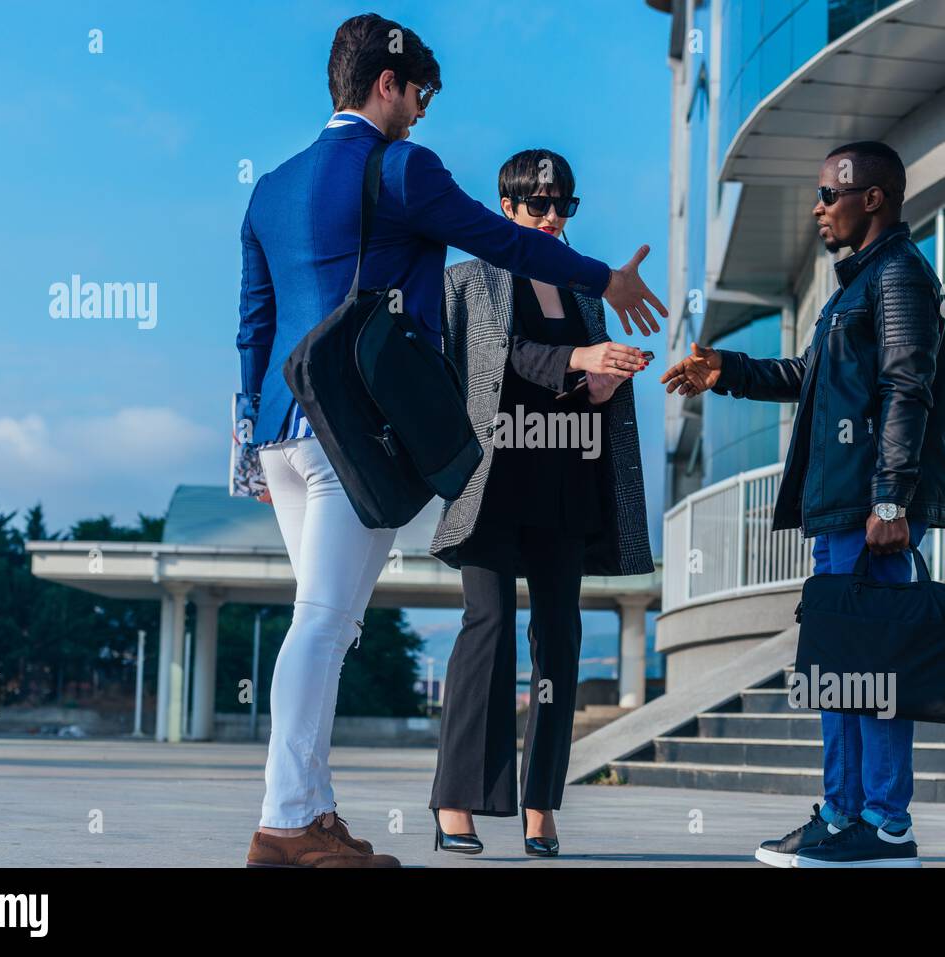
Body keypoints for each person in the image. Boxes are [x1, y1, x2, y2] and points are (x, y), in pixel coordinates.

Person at [237, 14, 666, 869]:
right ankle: (286, 821)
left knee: (330, 622)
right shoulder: (398, 166)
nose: (424, 112)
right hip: (350, 436)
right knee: (323, 624)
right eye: (420, 93)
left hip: (285, 433)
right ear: (386, 84)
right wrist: (604, 277)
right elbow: (499, 239)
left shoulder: (271, 186)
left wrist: (246, 437)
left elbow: (253, 323)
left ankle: (312, 814)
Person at [661, 140, 945, 868]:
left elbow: (906, 388)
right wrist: (724, 369)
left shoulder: (899, 279)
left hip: (869, 512)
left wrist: (890, 498)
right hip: (839, 512)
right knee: (840, 668)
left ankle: (883, 823)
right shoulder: (852, 289)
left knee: (873, 668)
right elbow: (808, 375)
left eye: (831, 193)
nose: (818, 207)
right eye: (819, 194)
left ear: (875, 198)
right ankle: (842, 812)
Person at [426, 149, 654, 857]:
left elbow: (579, 389)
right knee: (486, 629)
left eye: (564, 205)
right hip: (492, 486)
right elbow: (499, 357)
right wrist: (578, 360)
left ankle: (540, 804)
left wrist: (606, 379)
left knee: (560, 644)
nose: (553, 217)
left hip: (565, 484)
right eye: (539, 205)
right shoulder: (468, 281)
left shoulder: (585, 293)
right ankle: (456, 799)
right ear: (508, 208)